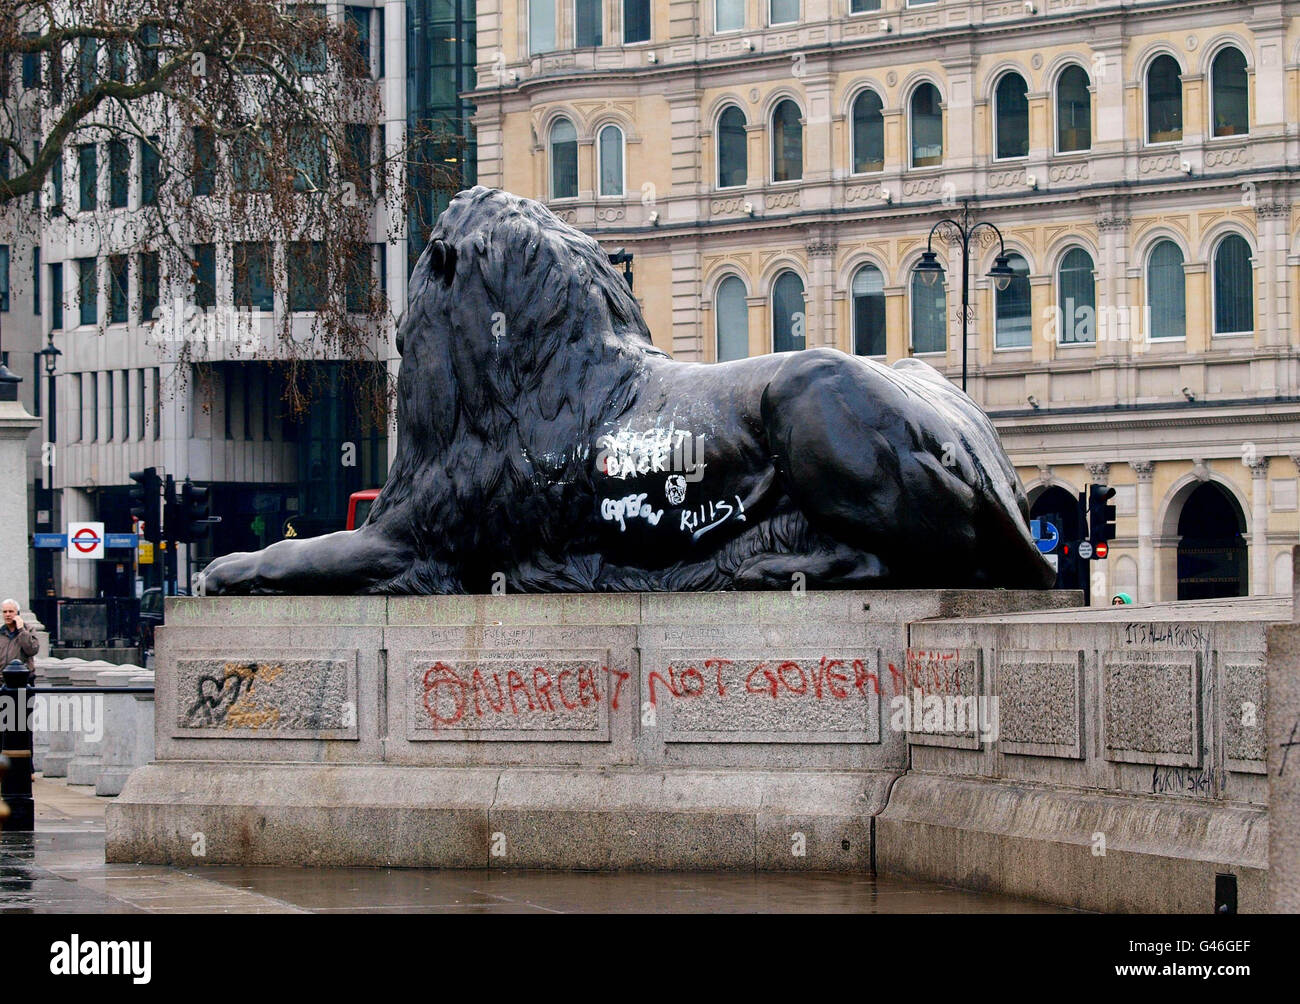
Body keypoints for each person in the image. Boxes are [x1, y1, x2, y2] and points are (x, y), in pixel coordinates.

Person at [1, 599, 40, 680]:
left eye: (11, 611)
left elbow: (32, 650)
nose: (7, 614)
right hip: (2, 681)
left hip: (23, 680)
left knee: (21, 693)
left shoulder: (29, 630)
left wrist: (21, 630)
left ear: (17, 613)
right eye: (5, 612)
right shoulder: (1, 632)